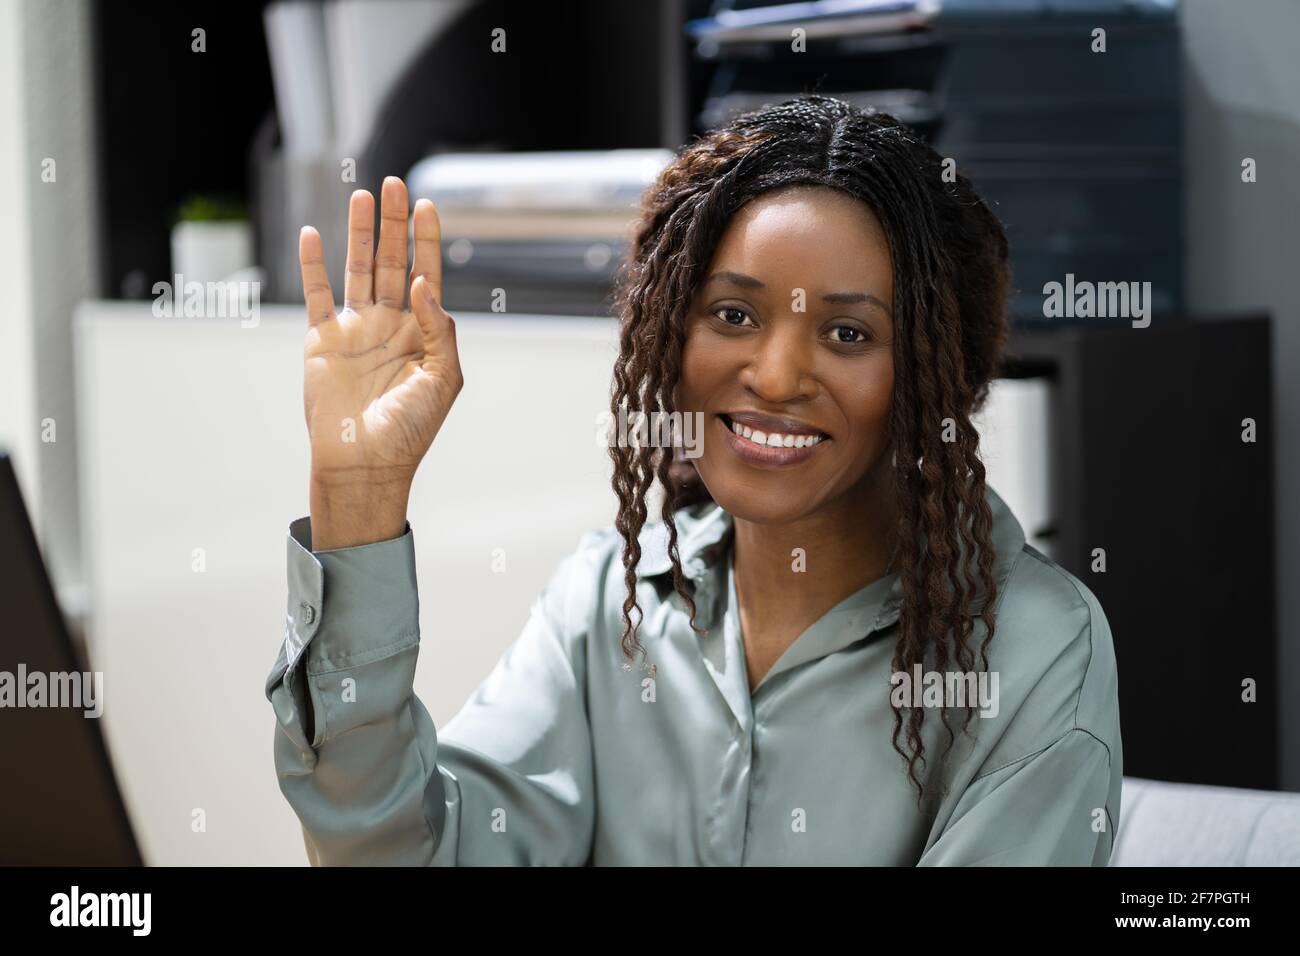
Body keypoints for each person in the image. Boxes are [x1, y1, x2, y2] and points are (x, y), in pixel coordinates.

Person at [266, 95, 1121, 866]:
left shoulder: (1033, 651)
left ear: (939, 375)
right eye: (734, 314)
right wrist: (359, 500)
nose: (778, 376)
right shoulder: (608, 605)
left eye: (849, 334)